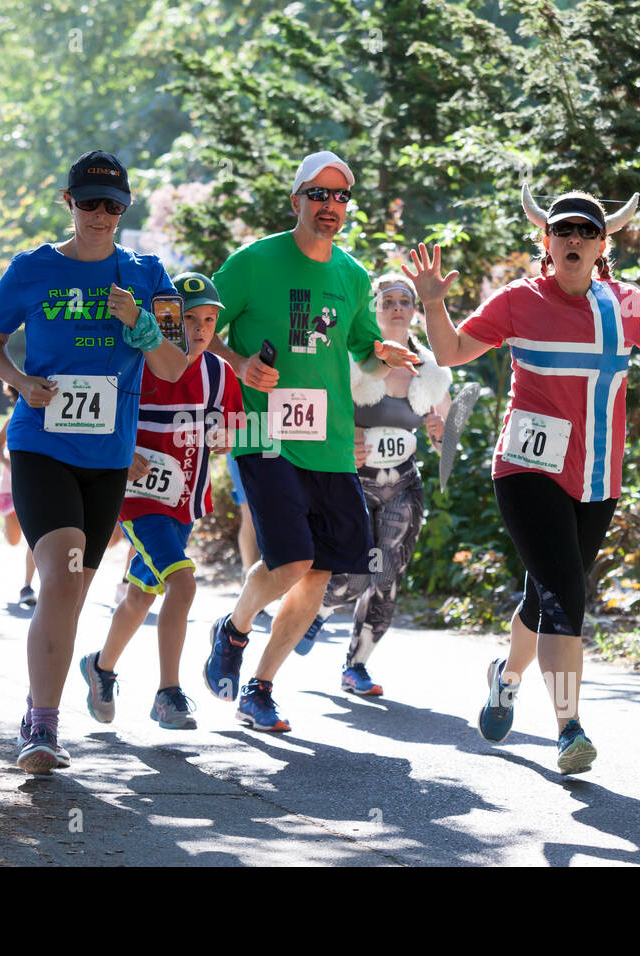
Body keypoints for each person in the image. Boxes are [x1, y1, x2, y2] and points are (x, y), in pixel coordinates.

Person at [405, 185, 640, 774]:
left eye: (586, 231)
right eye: (563, 229)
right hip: (527, 469)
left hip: (596, 477)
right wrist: (433, 304)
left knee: (545, 597)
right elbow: (454, 351)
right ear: (545, 241)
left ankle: (505, 676)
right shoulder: (518, 299)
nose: (573, 238)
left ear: (602, 246)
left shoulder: (627, 305)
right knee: (567, 594)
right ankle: (569, 728)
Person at [0, 149, 188, 774]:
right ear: (68, 202)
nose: (101, 214)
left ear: (125, 211)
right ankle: (41, 728)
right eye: (90, 201)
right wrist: (18, 380)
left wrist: (141, 323)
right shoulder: (32, 267)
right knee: (62, 579)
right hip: (42, 442)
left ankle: (44, 709)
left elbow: (173, 365)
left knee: (72, 592)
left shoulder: (150, 276)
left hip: (109, 456)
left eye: (113, 205)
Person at [202, 150, 421, 732]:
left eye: (340, 197)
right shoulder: (253, 262)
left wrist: (383, 354)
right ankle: (233, 629)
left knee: (321, 573)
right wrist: (238, 361)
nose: (330, 206)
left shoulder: (351, 274)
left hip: (327, 443)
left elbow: (362, 348)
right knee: (290, 558)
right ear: (296, 198)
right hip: (264, 436)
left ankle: (261, 687)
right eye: (319, 194)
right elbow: (201, 325)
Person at [79, 271, 243, 730]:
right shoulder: (135, 364)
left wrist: (226, 435)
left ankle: (100, 666)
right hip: (138, 502)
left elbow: (227, 433)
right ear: (163, 322)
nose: (201, 329)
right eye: (189, 319)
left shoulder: (218, 373)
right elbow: (102, 420)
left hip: (184, 504)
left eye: (210, 320)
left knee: (139, 596)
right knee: (183, 583)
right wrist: (122, 450)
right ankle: (168, 694)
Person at [298, 273, 455, 697]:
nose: (399, 307)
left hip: (403, 482)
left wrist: (441, 431)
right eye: (389, 301)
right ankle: (317, 610)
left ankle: (357, 666)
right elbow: (322, 413)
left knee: (385, 575)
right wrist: (345, 435)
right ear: (374, 309)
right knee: (350, 576)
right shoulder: (349, 362)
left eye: (406, 300)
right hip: (352, 482)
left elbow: (448, 436)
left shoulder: (432, 372)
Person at [0, 384, 37, 607]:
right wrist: (8, 463)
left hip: (33, 488)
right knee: (14, 539)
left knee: (34, 540)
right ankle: (6, 528)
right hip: (8, 490)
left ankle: (27, 586)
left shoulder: (45, 419)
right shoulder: (12, 420)